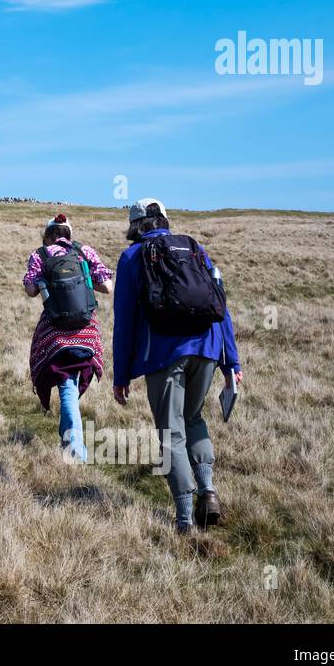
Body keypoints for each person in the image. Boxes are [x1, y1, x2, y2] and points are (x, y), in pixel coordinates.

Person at [111, 198, 241, 532]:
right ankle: (208, 491)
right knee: (193, 418)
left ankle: (184, 519)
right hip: (209, 347)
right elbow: (221, 307)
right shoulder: (195, 249)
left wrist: (122, 374)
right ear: (165, 220)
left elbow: (124, 321)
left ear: (135, 225)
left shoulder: (131, 257)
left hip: (165, 353)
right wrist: (231, 362)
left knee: (171, 433)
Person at [22, 213, 113, 462]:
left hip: (56, 331)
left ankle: (74, 448)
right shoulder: (84, 251)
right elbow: (107, 287)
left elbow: (30, 289)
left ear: (49, 235)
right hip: (86, 329)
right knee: (70, 384)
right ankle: (71, 443)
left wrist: (44, 284)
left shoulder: (40, 255)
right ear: (68, 234)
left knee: (66, 383)